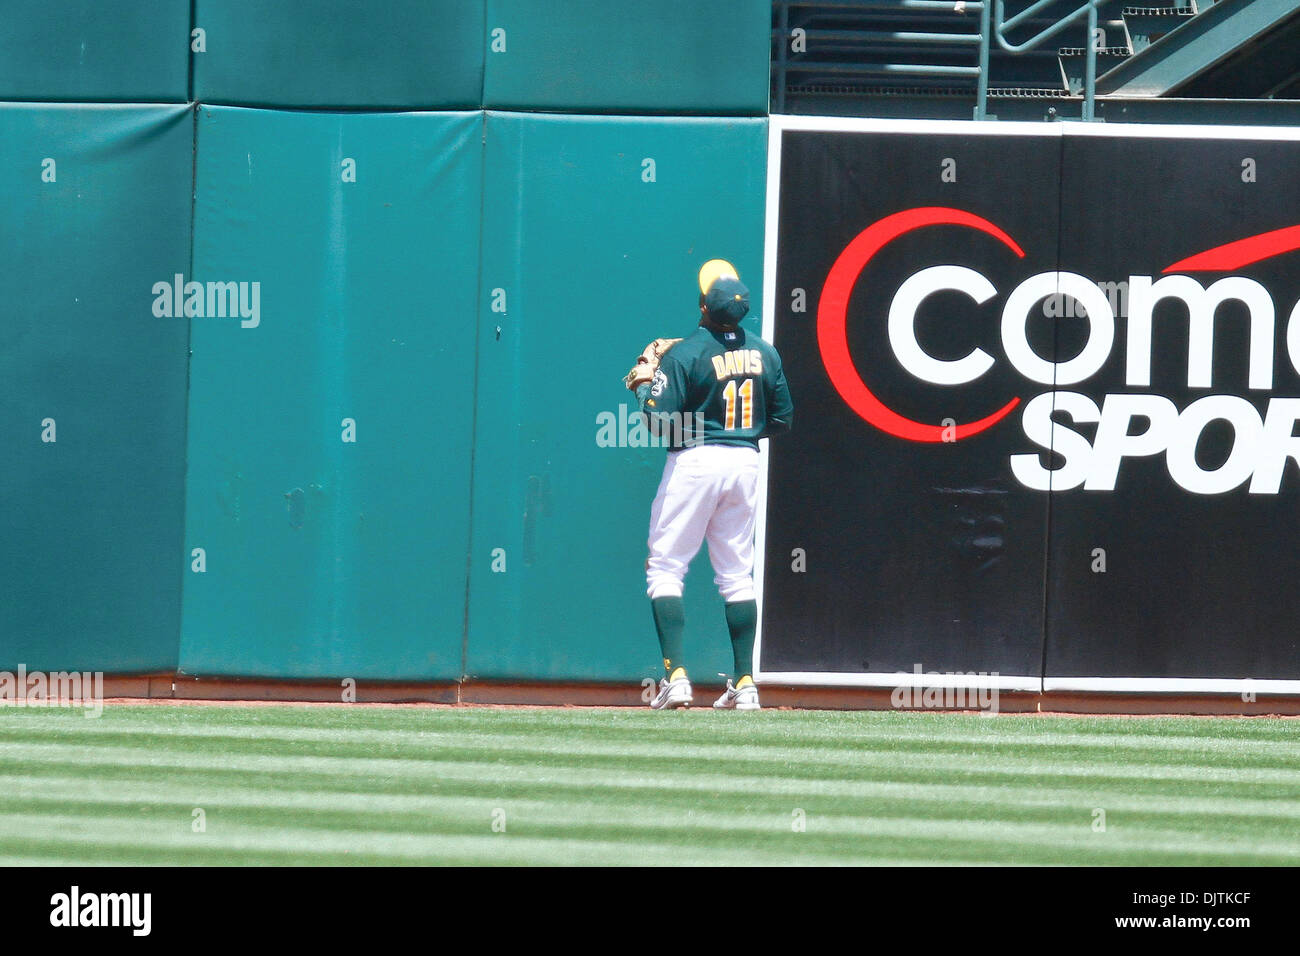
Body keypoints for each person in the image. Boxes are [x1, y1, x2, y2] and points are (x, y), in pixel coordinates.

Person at [628, 260, 793, 711]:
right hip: (745, 462)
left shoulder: (686, 353)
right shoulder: (766, 353)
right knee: (737, 574)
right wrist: (739, 434)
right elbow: (781, 419)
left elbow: (660, 420)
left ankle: (676, 678)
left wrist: (644, 389)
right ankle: (745, 683)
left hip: (696, 462)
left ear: (703, 306)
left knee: (665, 566)